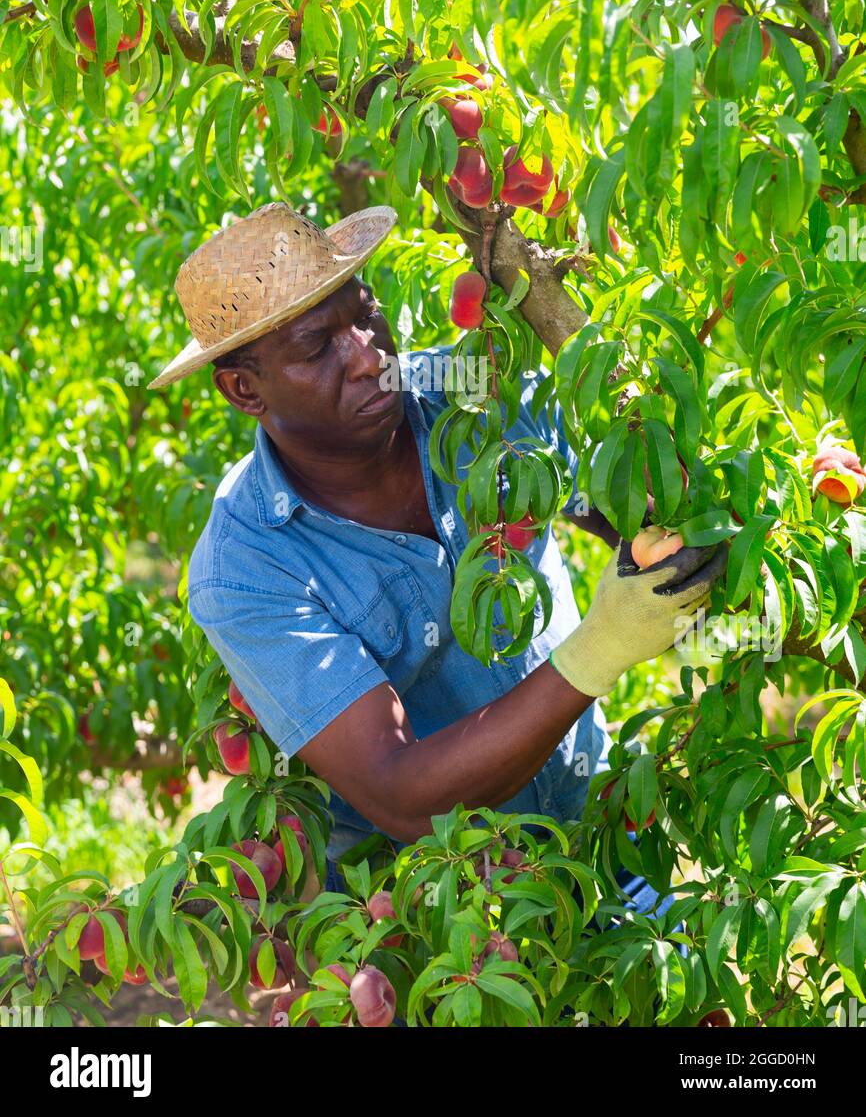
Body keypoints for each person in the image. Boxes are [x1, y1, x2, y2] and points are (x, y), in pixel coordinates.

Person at [149, 199, 726, 939]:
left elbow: (628, 509)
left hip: (604, 828)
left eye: (366, 315)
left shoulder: (474, 394)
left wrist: (669, 526)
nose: (366, 354)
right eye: (317, 346)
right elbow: (399, 793)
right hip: (447, 923)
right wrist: (601, 649)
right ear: (245, 390)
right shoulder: (248, 569)